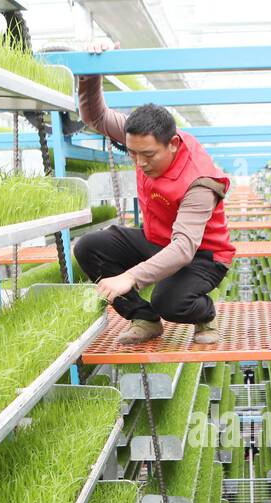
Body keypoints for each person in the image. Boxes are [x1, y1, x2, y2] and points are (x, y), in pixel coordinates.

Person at [73, 42, 234, 345]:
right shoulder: (142, 138)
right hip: (158, 239)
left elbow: (184, 248)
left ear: (172, 143)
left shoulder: (199, 181)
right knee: (88, 246)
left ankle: (205, 314)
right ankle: (144, 318)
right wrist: (91, 71)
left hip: (203, 255)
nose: (139, 162)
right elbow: (96, 118)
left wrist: (130, 277)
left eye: (147, 155)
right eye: (132, 154)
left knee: (170, 301)